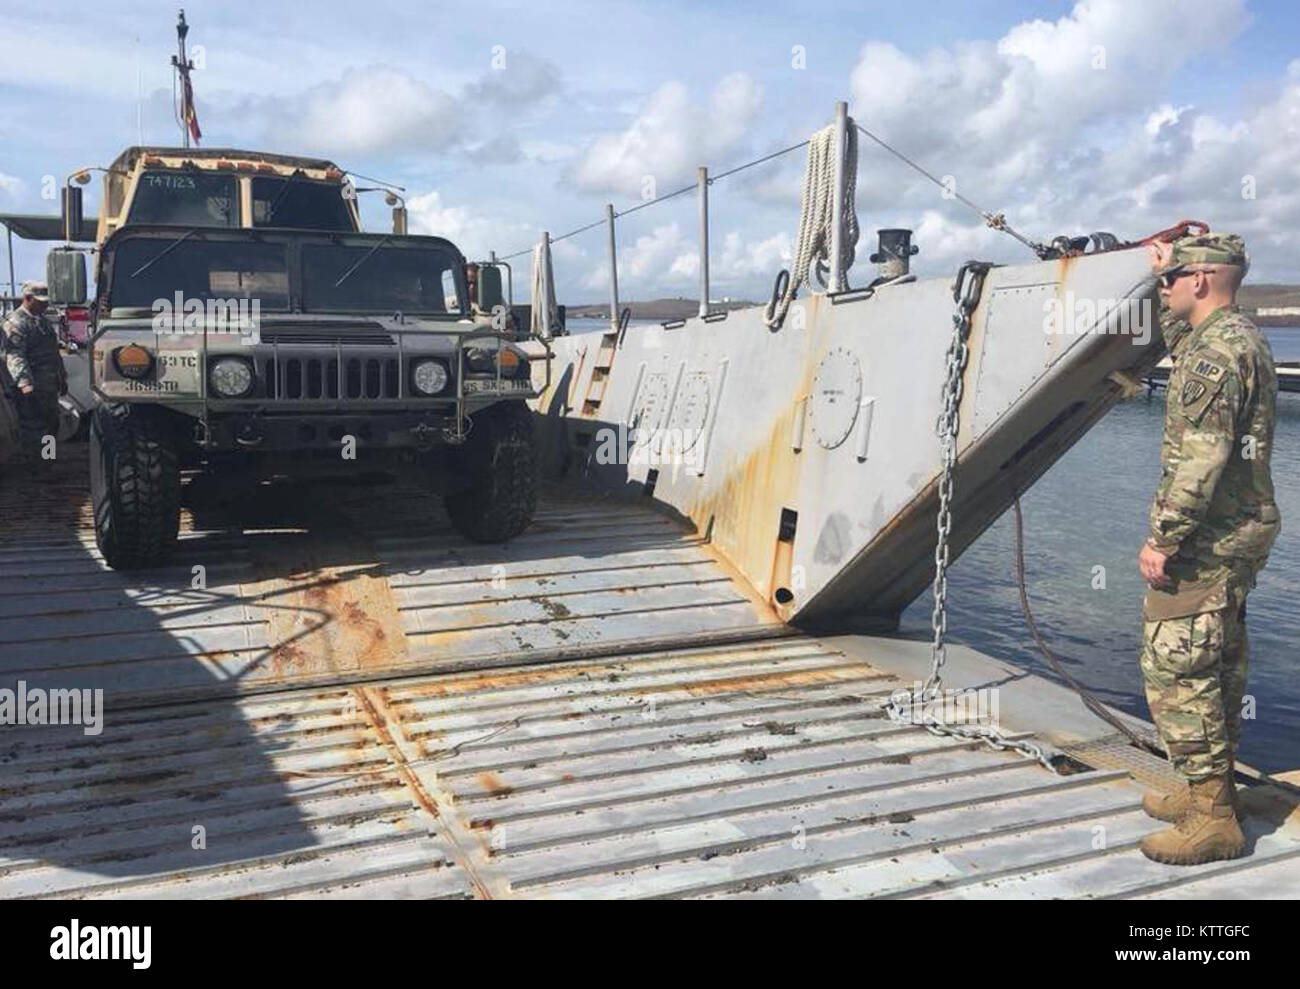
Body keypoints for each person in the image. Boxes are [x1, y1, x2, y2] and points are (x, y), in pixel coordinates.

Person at [1137, 232, 1279, 866]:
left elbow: (1202, 458)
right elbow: (1184, 343)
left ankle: (1214, 819)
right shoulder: (1235, 337)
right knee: (1218, 663)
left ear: (1203, 280)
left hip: (1208, 537)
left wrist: (1163, 538)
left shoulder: (1214, 356)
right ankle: (1209, 793)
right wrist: (1162, 270)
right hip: (1241, 530)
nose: (1165, 288)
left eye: (1173, 279)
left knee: (1176, 667)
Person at [2, 280, 66, 463]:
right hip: (32, 385)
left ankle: (49, 458)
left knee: (51, 424)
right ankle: (35, 463)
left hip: (49, 384)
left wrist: (62, 378)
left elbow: (53, 353)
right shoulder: (16, 323)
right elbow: (15, 355)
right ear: (28, 298)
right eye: (41, 301)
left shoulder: (42, 322)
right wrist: (25, 383)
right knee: (33, 426)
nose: (45, 305)